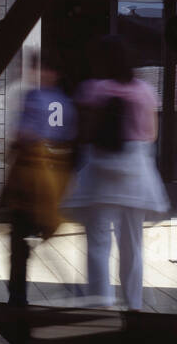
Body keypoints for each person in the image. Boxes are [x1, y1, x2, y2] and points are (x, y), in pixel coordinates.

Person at [61, 35, 168, 310]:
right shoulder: (145, 91)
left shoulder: (92, 90)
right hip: (136, 172)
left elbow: (82, 133)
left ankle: (100, 303)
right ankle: (133, 304)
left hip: (99, 172)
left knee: (98, 243)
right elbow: (152, 135)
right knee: (133, 244)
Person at [0, 49, 78, 305]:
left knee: (18, 241)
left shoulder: (35, 96)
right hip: (52, 183)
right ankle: (64, 288)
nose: (35, 74)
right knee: (35, 235)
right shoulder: (65, 102)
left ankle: (18, 295)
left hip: (31, 181)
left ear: (51, 72)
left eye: (39, 69)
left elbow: (24, 135)